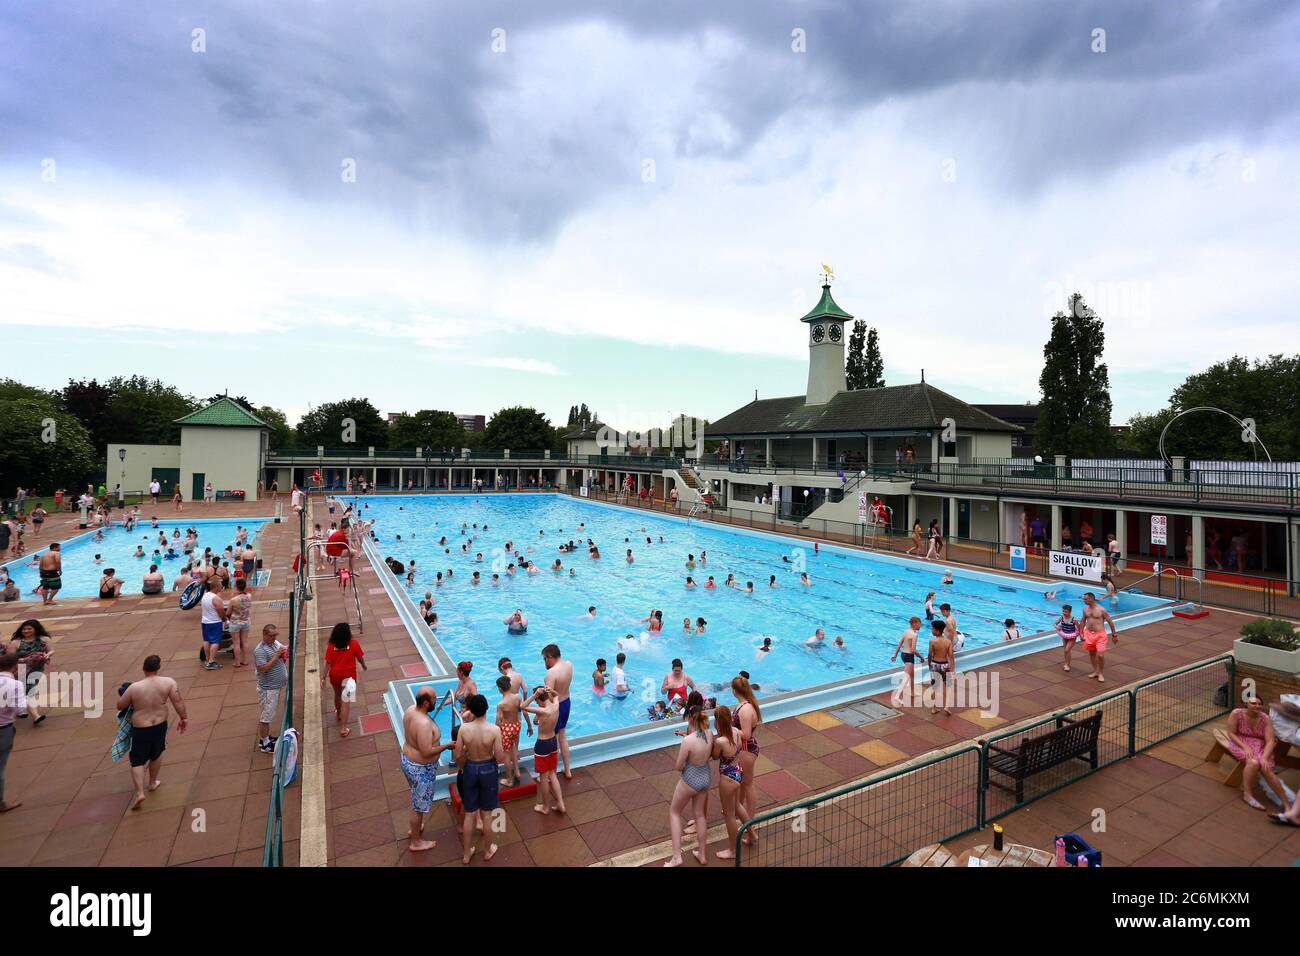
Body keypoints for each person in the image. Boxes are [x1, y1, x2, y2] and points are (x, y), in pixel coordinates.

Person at [117, 655, 188, 810]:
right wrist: (184, 718)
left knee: (137, 759)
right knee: (157, 752)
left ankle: (140, 792)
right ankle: (152, 782)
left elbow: (120, 706)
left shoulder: (134, 687)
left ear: (144, 668)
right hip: (160, 724)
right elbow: (178, 701)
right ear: (158, 668)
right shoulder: (168, 682)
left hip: (141, 727)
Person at [454, 693, 505, 864]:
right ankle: (488, 850)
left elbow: (457, 754)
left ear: (471, 711)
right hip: (488, 768)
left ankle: (467, 854)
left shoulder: (464, 729)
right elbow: (499, 757)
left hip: (470, 768)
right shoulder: (494, 730)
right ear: (487, 709)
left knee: (470, 813)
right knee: (487, 814)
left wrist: (463, 766)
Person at [401, 687, 452, 852]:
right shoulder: (423, 723)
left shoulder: (410, 710)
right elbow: (426, 751)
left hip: (408, 761)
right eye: (434, 698)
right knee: (418, 806)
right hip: (420, 769)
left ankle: (415, 827)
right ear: (425, 702)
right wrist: (446, 746)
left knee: (417, 798)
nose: (436, 700)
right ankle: (415, 842)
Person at [664, 703, 713, 867]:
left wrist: (687, 767)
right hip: (705, 777)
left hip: (690, 778)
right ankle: (702, 854)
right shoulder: (710, 733)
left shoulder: (688, 740)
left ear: (690, 719)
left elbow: (678, 766)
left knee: (675, 813)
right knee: (700, 815)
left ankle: (677, 857)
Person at [712, 703, 751, 859]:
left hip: (727, 777)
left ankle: (733, 851)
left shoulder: (720, 741)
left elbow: (715, 757)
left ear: (717, 722)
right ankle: (752, 835)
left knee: (729, 815)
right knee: (737, 806)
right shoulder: (735, 732)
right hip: (738, 771)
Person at [522, 687, 565, 815]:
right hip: (553, 741)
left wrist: (534, 695)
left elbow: (522, 706)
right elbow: (556, 695)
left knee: (544, 777)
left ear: (539, 700)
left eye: (536, 701)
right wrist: (550, 690)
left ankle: (545, 807)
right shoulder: (555, 705)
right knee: (553, 774)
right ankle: (560, 804)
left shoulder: (542, 710)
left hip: (542, 745)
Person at [323, 622, 366, 737]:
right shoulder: (354, 644)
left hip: (335, 675)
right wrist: (363, 665)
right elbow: (360, 658)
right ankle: (343, 728)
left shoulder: (331, 646)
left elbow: (327, 663)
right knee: (345, 701)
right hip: (349, 676)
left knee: (337, 695)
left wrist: (323, 678)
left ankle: (339, 714)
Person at [731, 675, 762, 829]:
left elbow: (746, 734)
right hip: (746, 748)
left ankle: (750, 822)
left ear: (735, 691)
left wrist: (730, 730)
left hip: (746, 749)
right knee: (743, 783)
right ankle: (740, 810)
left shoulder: (744, 710)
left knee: (748, 784)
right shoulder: (746, 705)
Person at [252, 624, 289, 753]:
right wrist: (277, 655)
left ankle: (266, 738)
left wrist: (283, 653)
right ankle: (265, 744)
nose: (274, 638)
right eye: (271, 636)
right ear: (264, 635)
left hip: (275, 686)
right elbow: (262, 669)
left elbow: (281, 651)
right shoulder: (260, 650)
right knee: (266, 716)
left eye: (275, 635)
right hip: (268, 689)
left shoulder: (274, 644)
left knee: (269, 714)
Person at [0, 650, 28, 811]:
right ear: (14, 668)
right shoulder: (15, 685)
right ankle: (1, 802)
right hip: (4, 729)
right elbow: (20, 710)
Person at [542, 643, 574, 779]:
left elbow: (549, 698)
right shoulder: (569, 665)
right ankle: (567, 770)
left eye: (545, 659)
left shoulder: (551, 673)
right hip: (566, 702)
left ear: (550, 657)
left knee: (553, 739)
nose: (545, 662)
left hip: (556, 707)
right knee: (563, 736)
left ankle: (552, 774)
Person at [1079, 591, 1118, 682]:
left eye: (1085, 599)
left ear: (1091, 599)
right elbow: (1083, 621)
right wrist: (1081, 632)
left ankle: (1100, 673)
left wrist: (1114, 635)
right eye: (1083, 599)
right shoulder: (1085, 609)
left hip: (1100, 635)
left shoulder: (1101, 610)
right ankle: (1095, 671)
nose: (1083, 600)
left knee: (1100, 655)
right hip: (1088, 633)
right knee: (1092, 653)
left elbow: (1110, 622)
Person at [495, 676, 526, 788]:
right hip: (517, 725)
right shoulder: (518, 697)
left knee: (506, 755)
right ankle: (517, 772)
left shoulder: (501, 704)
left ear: (500, 689)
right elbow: (521, 711)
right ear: (510, 685)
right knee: (514, 747)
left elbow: (498, 722)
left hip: (507, 729)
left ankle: (509, 780)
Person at [890, 617, 923, 707]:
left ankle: (912, 692)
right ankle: (897, 696)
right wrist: (921, 657)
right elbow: (913, 650)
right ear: (915, 624)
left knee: (911, 675)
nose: (921, 626)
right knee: (907, 676)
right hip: (909, 656)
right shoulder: (914, 635)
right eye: (920, 624)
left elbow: (899, 644)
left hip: (903, 655)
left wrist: (895, 655)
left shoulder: (906, 632)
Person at [927, 620, 954, 717]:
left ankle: (933, 708)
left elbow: (930, 655)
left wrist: (929, 664)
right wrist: (952, 669)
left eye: (933, 629)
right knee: (949, 686)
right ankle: (946, 706)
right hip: (945, 665)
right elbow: (951, 656)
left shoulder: (932, 642)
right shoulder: (948, 642)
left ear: (938, 631)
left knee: (935, 686)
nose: (932, 630)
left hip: (935, 664)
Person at [198, 577, 227, 670]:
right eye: (221, 586)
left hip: (205, 621)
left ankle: (207, 659)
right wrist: (224, 618)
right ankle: (211, 662)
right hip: (214, 622)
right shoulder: (216, 598)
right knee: (215, 642)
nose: (222, 587)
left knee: (206, 640)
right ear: (216, 587)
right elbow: (221, 612)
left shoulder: (205, 596)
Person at [37, 542, 61, 606]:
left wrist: (40, 573)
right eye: (59, 547)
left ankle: (45, 601)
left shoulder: (44, 555)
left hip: (44, 573)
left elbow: (40, 565)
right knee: (57, 586)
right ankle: (49, 600)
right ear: (54, 548)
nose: (59, 549)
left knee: (45, 587)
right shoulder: (56, 553)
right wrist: (59, 570)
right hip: (52, 572)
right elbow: (58, 561)